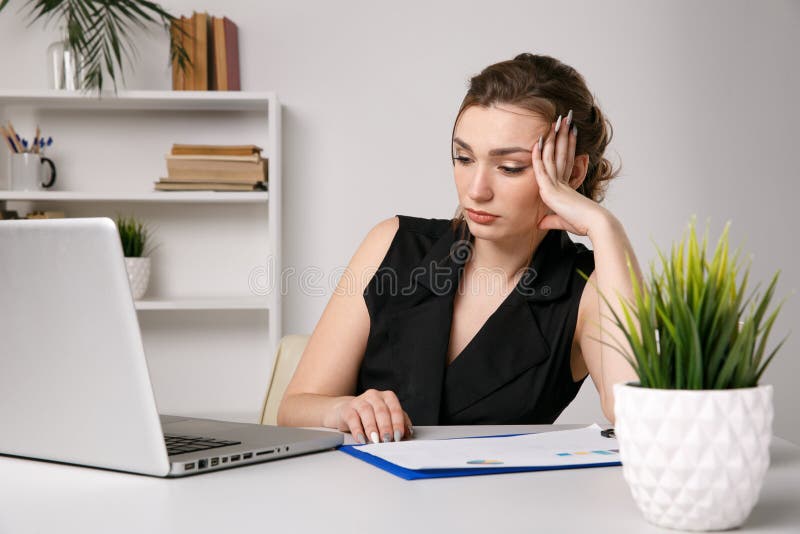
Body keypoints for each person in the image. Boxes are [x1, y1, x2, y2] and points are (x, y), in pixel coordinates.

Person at [278, 53, 642, 445]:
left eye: (510, 167)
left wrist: (606, 229)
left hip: (496, 504)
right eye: (464, 158)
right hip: (366, 497)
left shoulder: (587, 289)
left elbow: (638, 413)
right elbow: (294, 408)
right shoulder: (393, 244)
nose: (476, 190)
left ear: (571, 173)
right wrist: (341, 410)